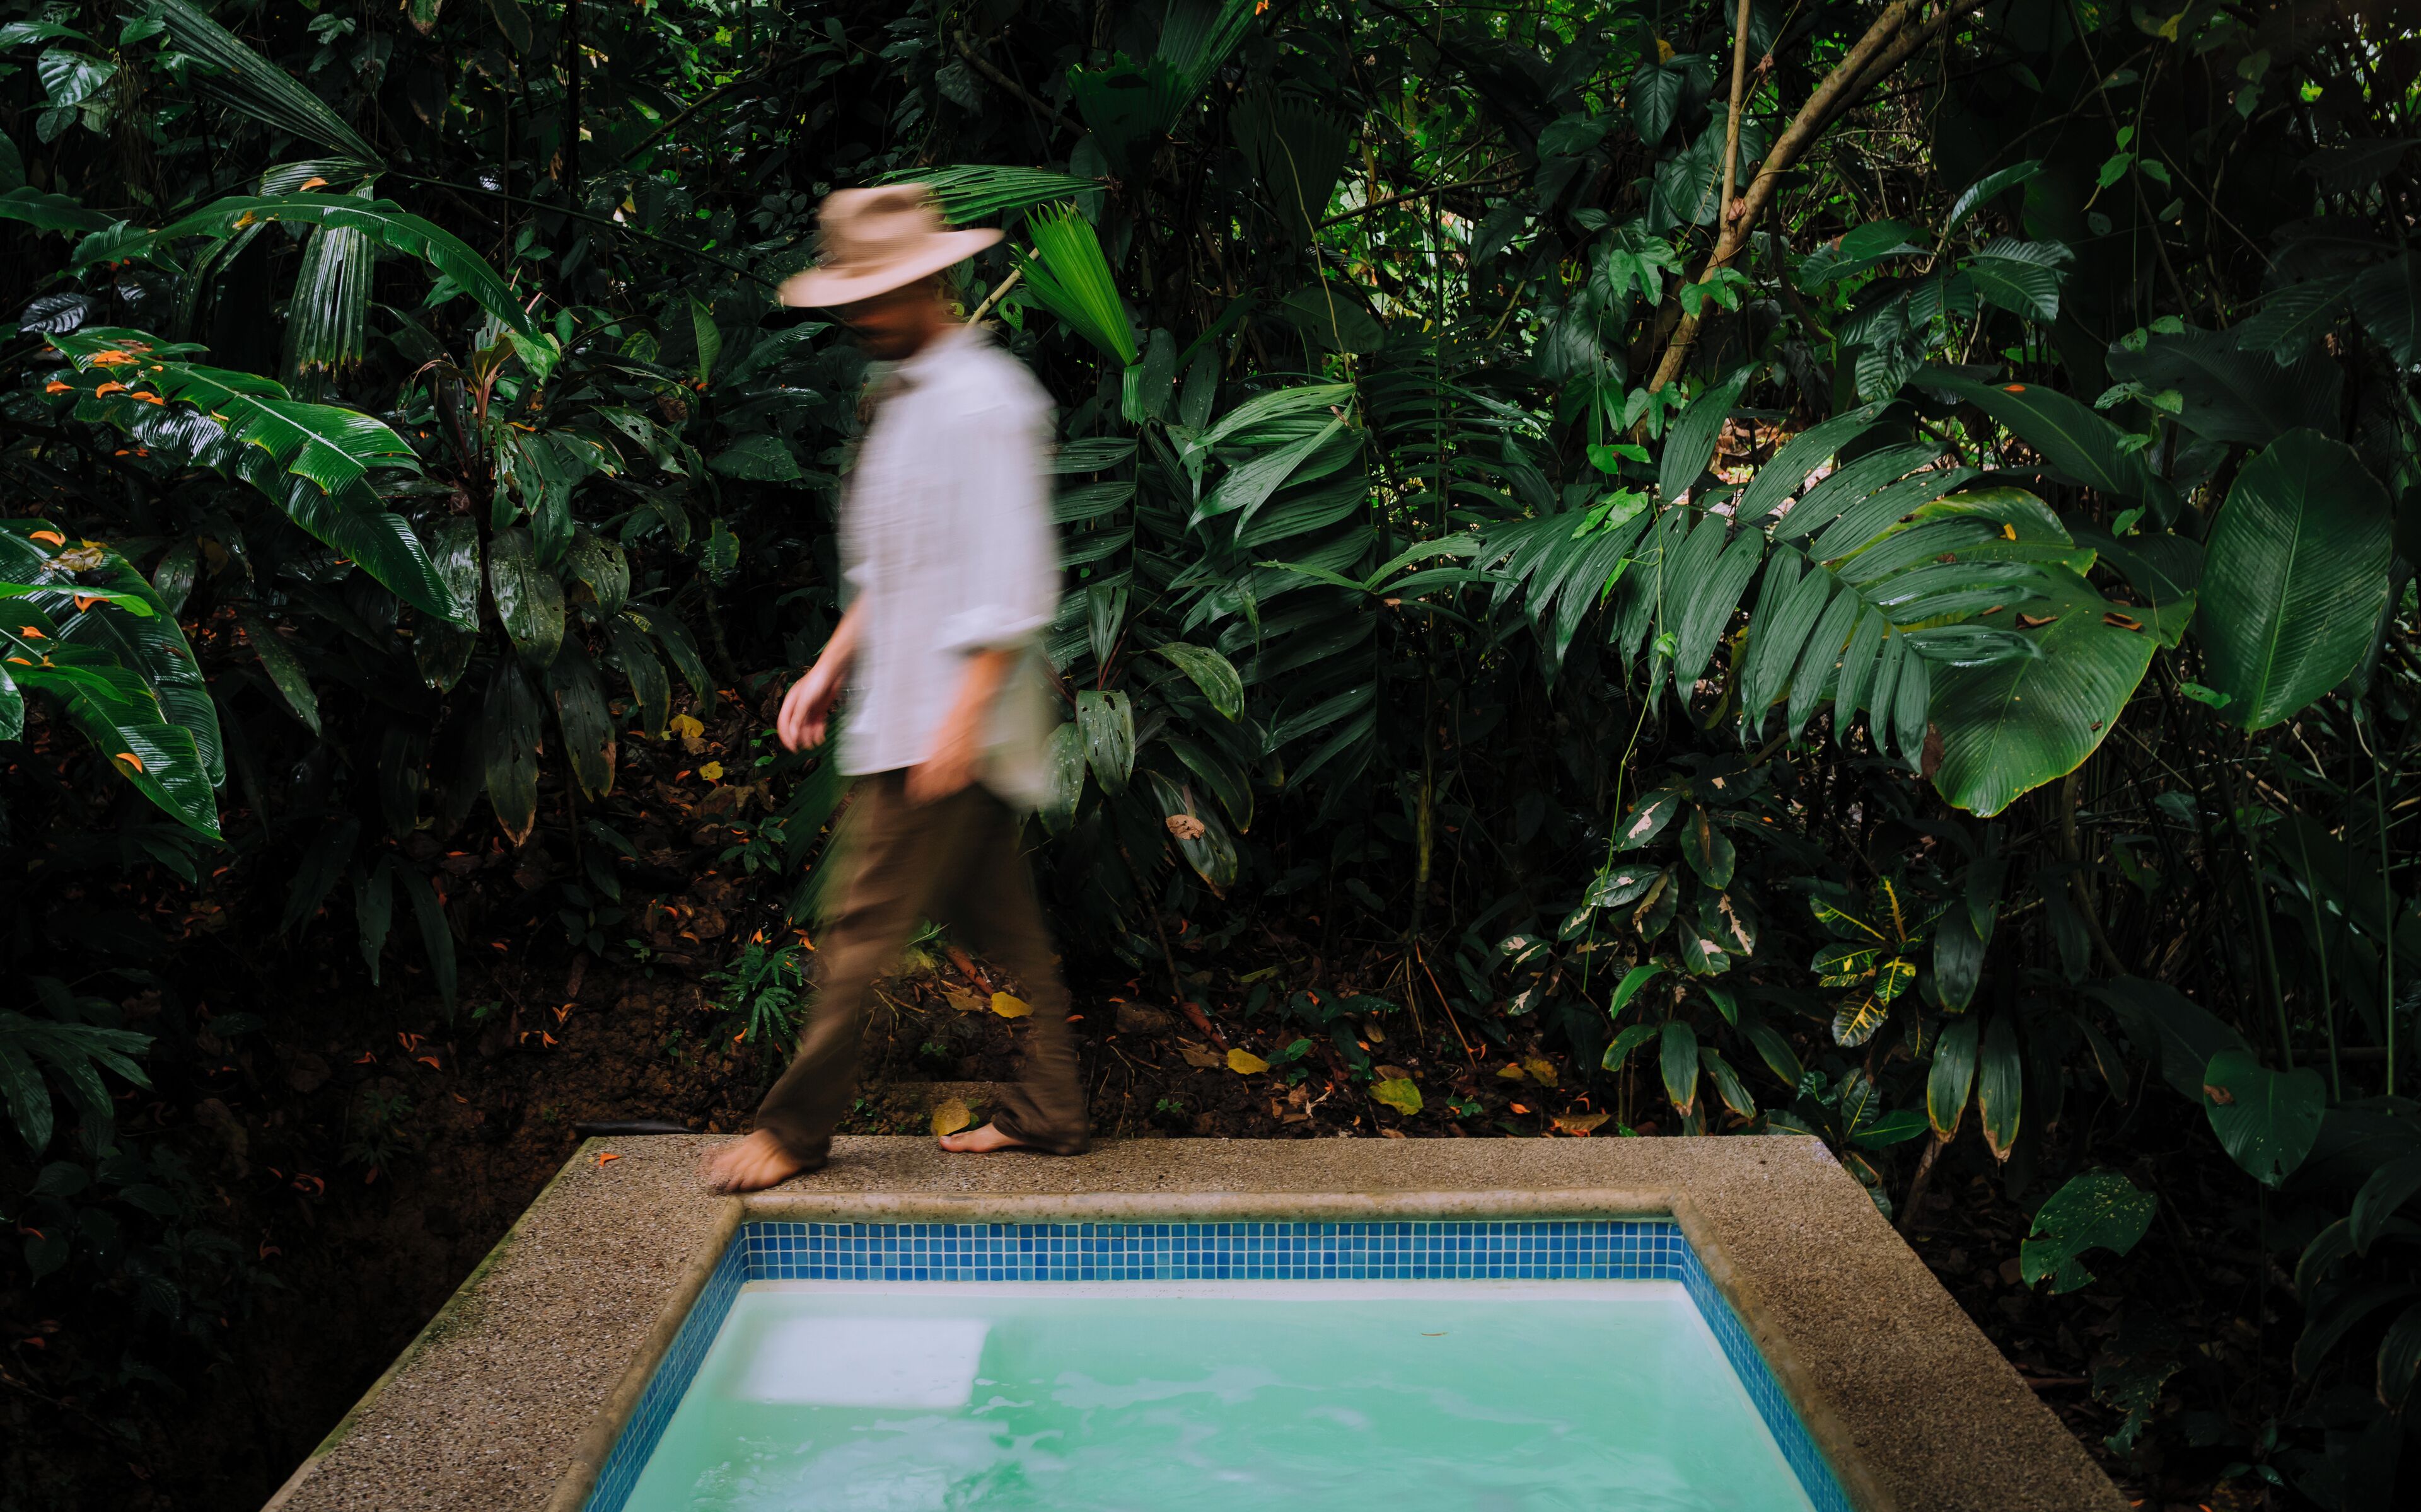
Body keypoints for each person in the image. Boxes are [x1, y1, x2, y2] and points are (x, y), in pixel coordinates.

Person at [700, 185, 1089, 1194]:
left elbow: (1015, 579)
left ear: (929, 282)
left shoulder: (988, 402)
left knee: (861, 930)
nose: (856, 314)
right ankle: (1051, 1110)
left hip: (943, 726)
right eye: (850, 294)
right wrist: (830, 666)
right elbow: (892, 569)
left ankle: (792, 1133)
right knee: (1001, 923)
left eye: (873, 293)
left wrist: (959, 722)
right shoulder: (900, 399)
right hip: (909, 716)